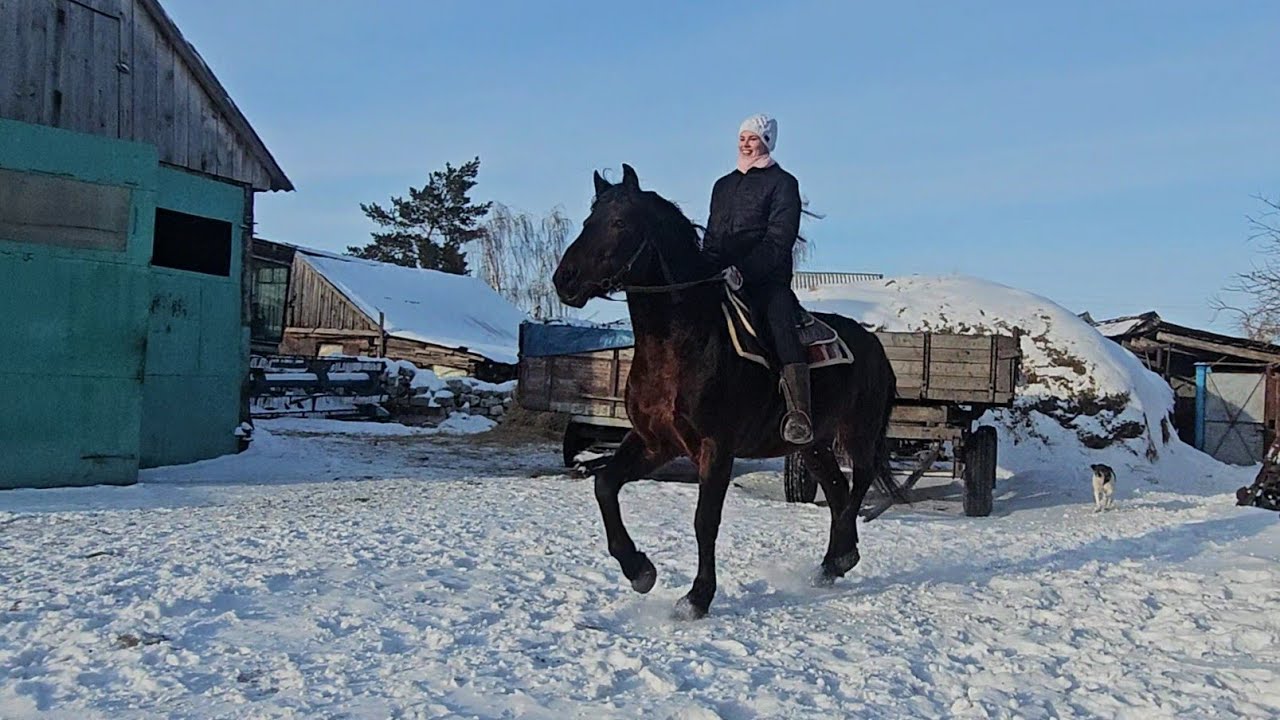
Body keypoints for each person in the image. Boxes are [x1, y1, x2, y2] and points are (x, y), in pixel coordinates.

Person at [702, 113, 812, 445]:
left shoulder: (783, 183)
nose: (746, 144)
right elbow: (712, 237)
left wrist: (745, 271)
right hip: (719, 277)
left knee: (779, 323)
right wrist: (706, 268)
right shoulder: (722, 185)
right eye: (742, 138)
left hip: (765, 281)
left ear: (767, 142)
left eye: (753, 138)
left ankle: (799, 413)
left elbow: (779, 240)